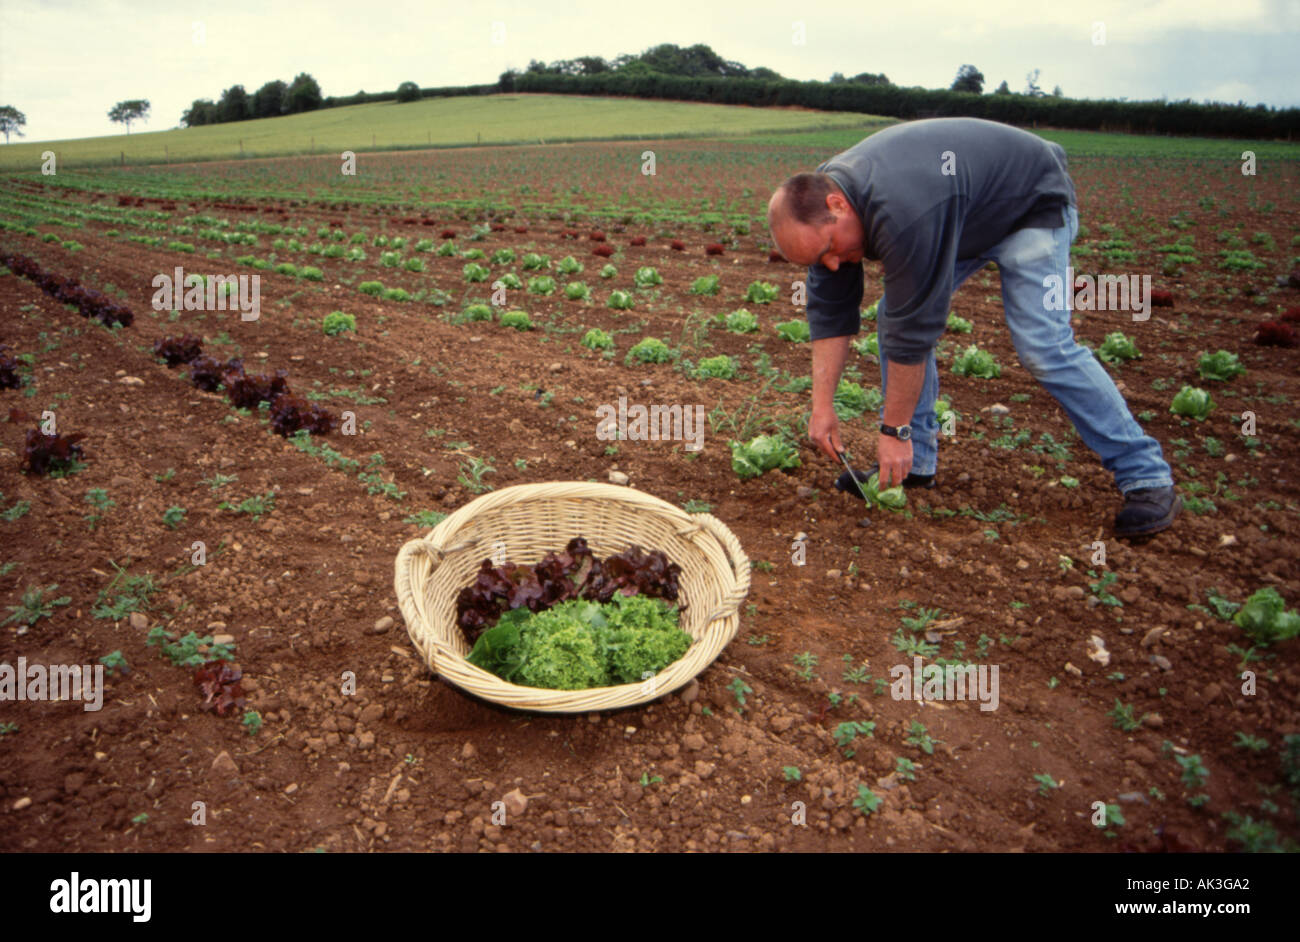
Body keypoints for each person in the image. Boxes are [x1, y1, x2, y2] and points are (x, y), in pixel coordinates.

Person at [766, 117, 1181, 538]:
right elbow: (831, 315)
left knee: (1044, 346)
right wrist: (822, 408)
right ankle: (918, 465)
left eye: (831, 251)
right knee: (895, 313)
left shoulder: (903, 209)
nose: (832, 264)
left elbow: (914, 333)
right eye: (819, 261)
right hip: (961, 213)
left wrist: (894, 432)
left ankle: (1146, 477)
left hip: (1027, 202)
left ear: (838, 204)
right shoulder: (822, 216)